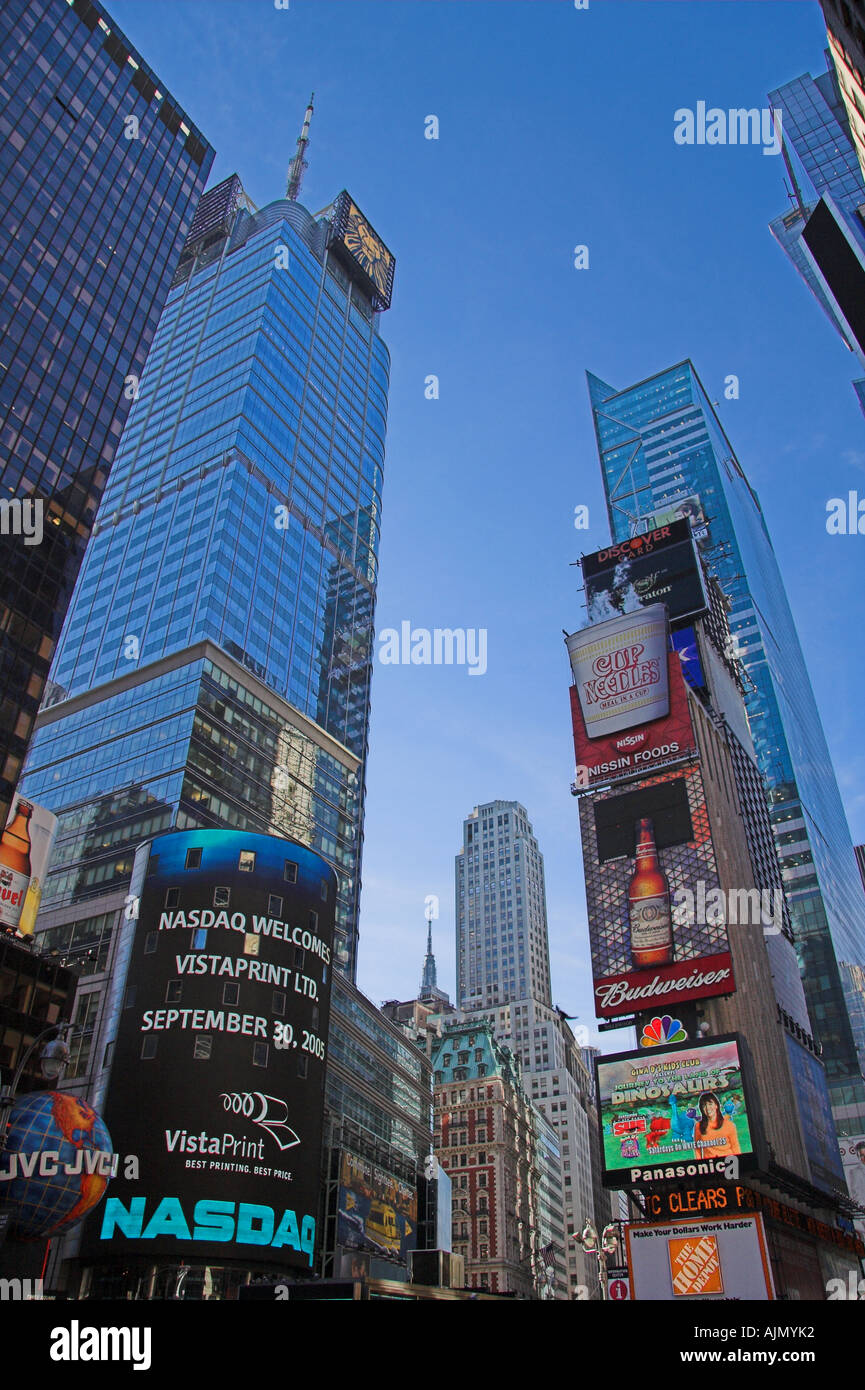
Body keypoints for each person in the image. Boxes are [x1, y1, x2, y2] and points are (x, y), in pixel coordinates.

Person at [693, 1091, 740, 1159]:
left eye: (710, 1104)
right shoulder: (698, 1126)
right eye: (704, 1105)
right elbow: (697, 1149)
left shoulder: (729, 1125)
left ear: (716, 1105)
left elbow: (735, 1147)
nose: (707, 1108)